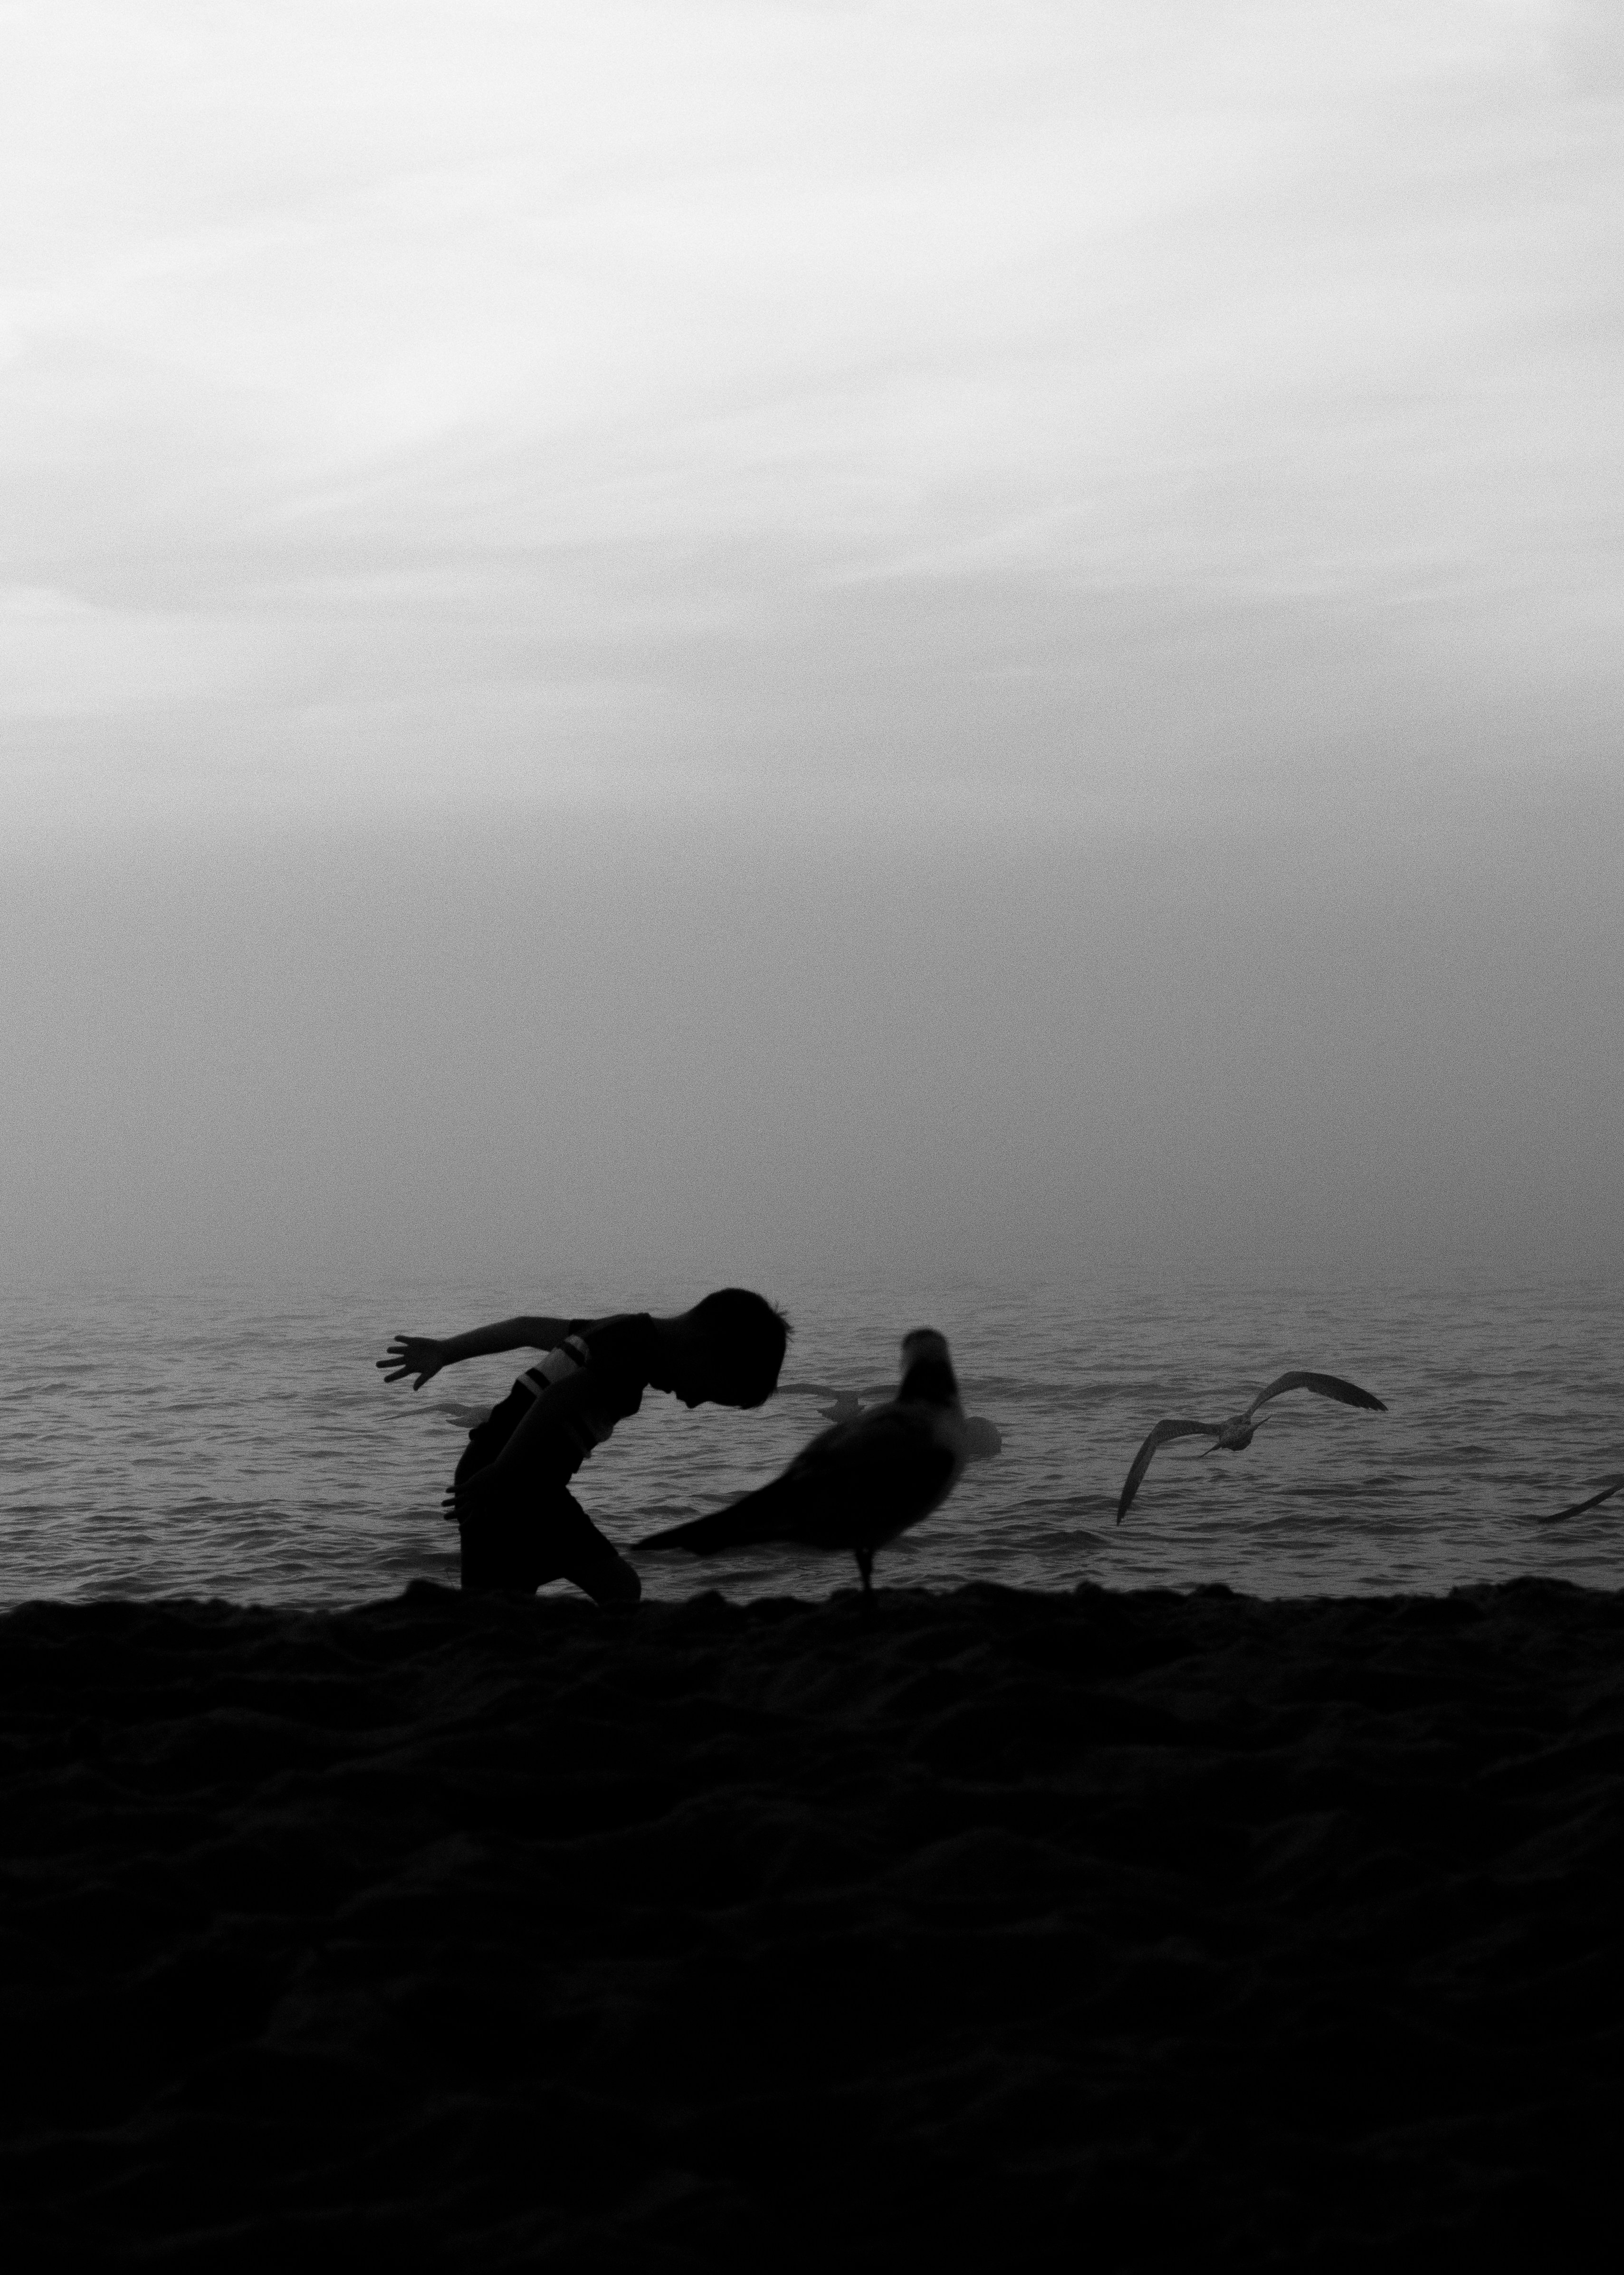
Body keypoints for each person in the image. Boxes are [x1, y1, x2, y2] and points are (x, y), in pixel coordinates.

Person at [377, 1290, 790, 1608]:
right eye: (711, 1391)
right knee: (620, 1588)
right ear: (707, 1349)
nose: (694, 1402)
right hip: (516, 1480)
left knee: (498, 1602)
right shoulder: (630, 1361)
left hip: (500, 1471)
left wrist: (448, 1350)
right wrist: (503, 1472)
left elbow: (524, 1328)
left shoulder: (621, 1330)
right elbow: (556, 1400)